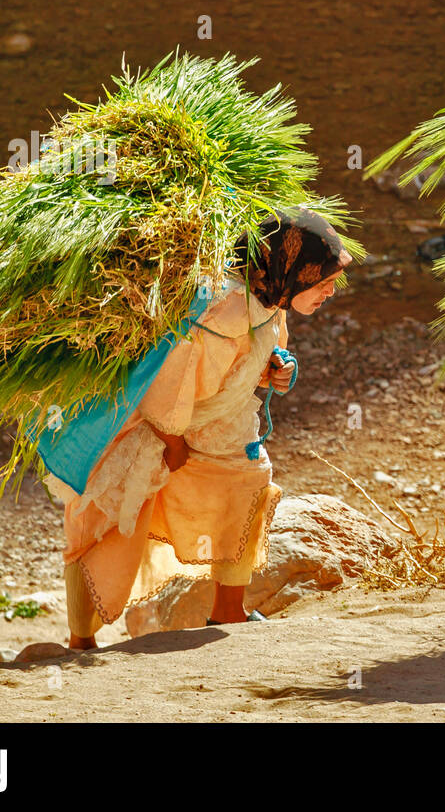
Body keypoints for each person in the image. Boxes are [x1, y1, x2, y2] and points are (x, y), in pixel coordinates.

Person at [49, 208, 352, 650]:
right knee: (109, 514)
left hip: (220, 425)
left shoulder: (270, 301)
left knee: (246, 486)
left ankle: (228, 609)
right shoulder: (221, 314)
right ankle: (81, 639)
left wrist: (276, 370)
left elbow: (257, 360)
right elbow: (166, 383)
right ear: (292, 270)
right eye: (323, 280)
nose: (330, 291)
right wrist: (171, 441)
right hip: (157, 425)